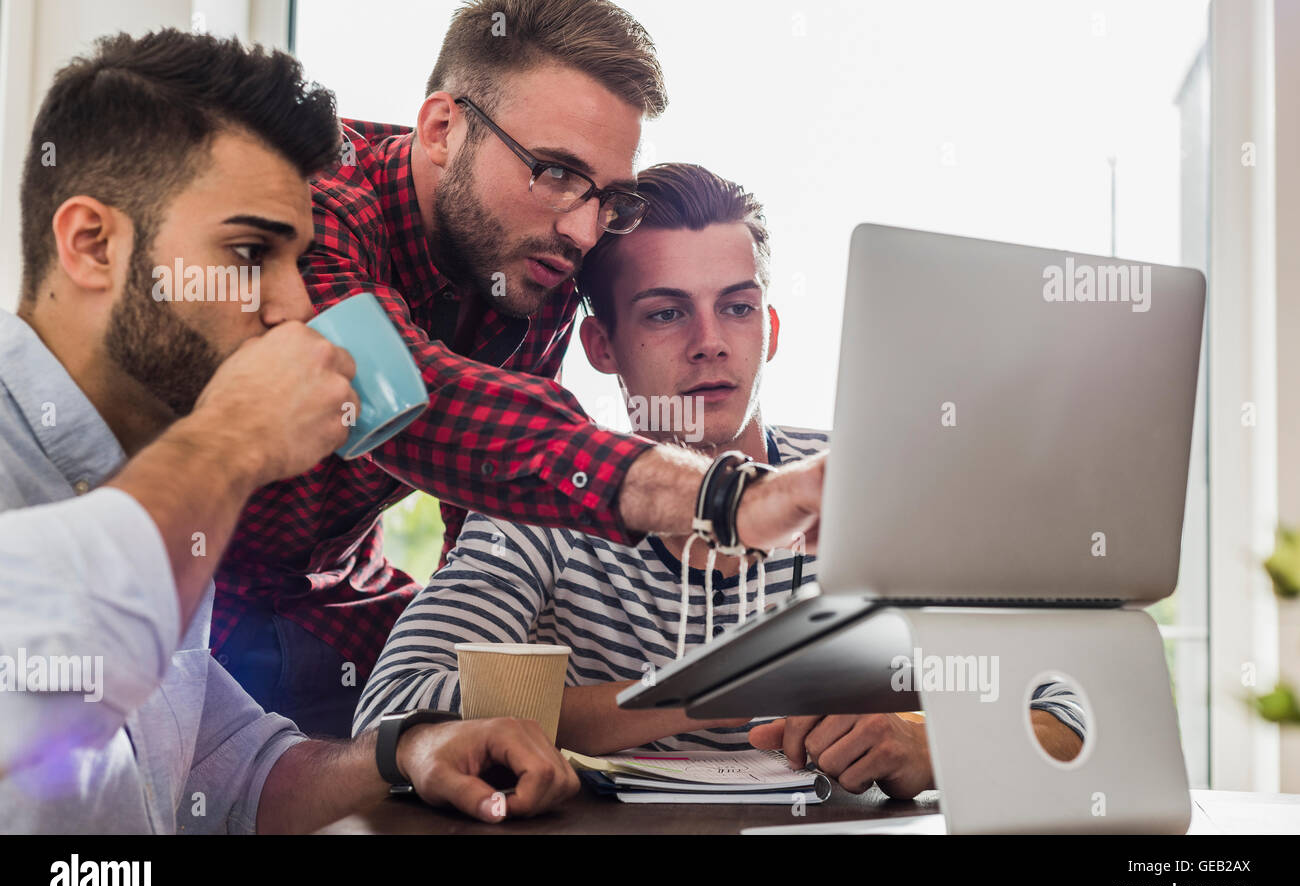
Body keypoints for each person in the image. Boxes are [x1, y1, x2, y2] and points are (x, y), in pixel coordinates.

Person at [354, 164, 1087, 799]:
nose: (710, 341)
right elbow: (395, 708)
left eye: (736, 307)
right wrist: (722, 689)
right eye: (667, 312)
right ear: (602, 345)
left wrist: (928, 748)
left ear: (769, 326)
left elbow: (1072, 707)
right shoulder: (548, 501)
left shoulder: (864, 487)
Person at [0, 29, 577, 834]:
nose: (297, 307)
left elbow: (229, 768)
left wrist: (402, 752)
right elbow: (33, 687)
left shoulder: (153, 469)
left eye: (297, 258)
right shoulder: (176, 474)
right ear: (93, 245)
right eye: (248, 253)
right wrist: (233, 443)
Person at [211, 0, 825, 739]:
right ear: (442, 129)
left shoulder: (540, 265)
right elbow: (398, 397)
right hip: (185, 608)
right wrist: (723, 497)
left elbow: (483, 515)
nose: (581, 229)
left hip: (336, 612)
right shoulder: (314, 203)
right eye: (556, 171)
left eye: (606, 195)